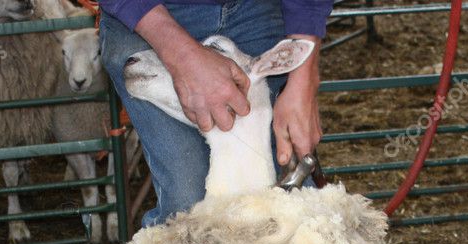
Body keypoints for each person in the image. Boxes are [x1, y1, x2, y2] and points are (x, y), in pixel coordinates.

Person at [99, 0, 335, 226]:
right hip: (146, 13)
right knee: (187, 206)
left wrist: (303, 78)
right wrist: (182, 55)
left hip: (258, 11)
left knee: (304, 218)